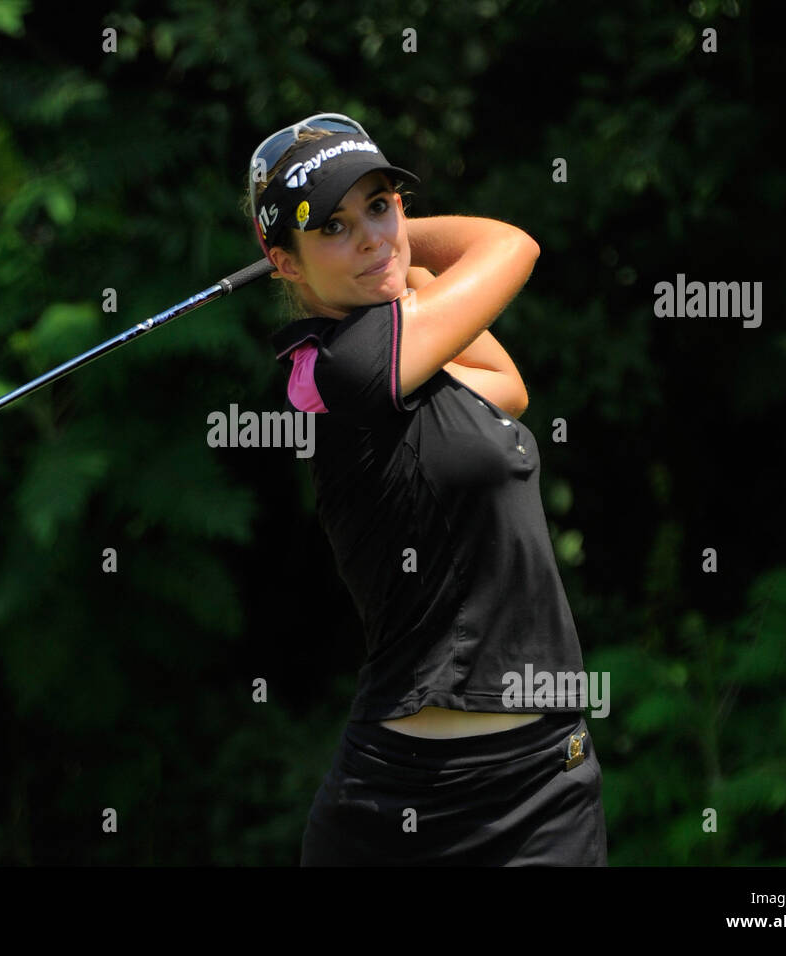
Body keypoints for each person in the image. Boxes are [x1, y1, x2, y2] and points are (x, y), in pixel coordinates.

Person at [245, 113, 607, 865]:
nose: (372, 236)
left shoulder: (407, 358)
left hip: (549, 785)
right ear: (283, 264)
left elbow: (506, 388)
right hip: (403, 804)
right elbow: (511, 245)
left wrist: (384, 248)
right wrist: (391, 247)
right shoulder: (353, 365)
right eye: (335, 228)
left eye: (382, 204)